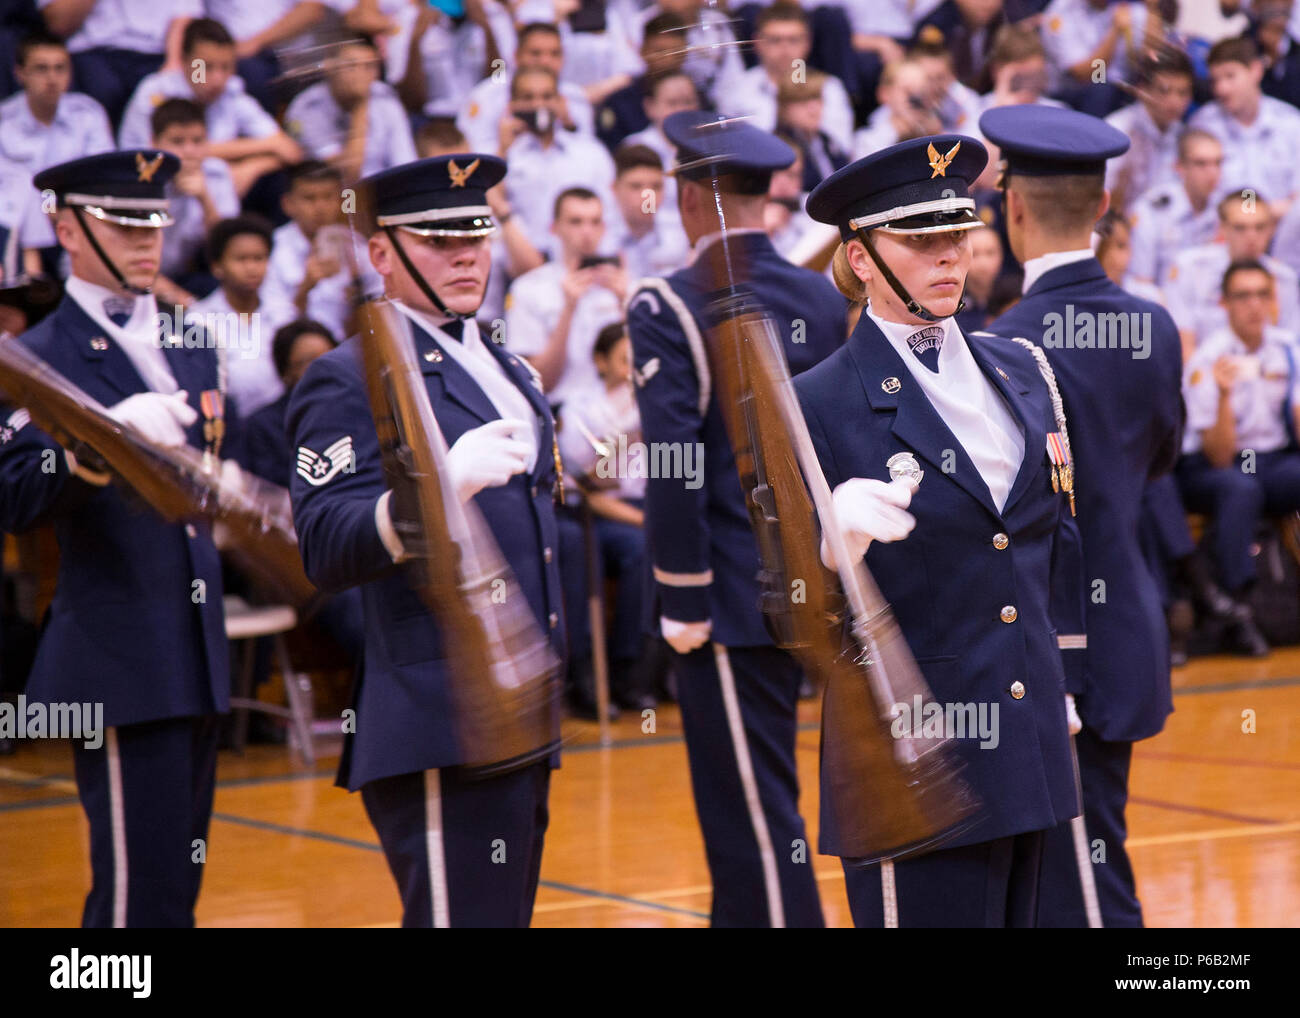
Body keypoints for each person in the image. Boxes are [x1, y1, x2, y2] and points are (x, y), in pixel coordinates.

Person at [794, 132, 1085, 928]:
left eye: (956, 234)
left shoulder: (1023, 367)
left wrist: (1065, 676)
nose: (947, 257)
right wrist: (827, 551)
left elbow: (1054, 537)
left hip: (1029, 752)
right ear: (860, 258)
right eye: (920, 241)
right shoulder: (814, 404)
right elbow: (782, 615)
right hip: (912, 769)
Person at [287, 153, 565, 927]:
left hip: (519, 711)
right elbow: (325, 541)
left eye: (475, 234)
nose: (466, 253)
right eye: (438, 239)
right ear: (383, 253)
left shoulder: (506, 365)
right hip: (436, 716)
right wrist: (435, 487)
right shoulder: (350, 376)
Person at [0, 149, 231, 926]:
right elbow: (13, 494)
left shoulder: (189, 337)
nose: (145, 241)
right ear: (65, 227)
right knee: (135, 899)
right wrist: (95, 444)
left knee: (175, 892)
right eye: (121, 223)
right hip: (122, 655)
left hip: (196, 649)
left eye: (153, 224)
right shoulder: (37, 356)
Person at [627, 111, 847, 928]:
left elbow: (675, 462)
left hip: (726, 592)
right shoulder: (817, 297)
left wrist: (681, 598)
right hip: (813, 584)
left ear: (687, 196)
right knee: (765, 800)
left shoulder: (670, 301)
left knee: (749, 813)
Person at [981, 103, 1184, 928]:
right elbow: (1159, 460)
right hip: (1124, 621)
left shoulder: (1001, 345)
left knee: (1079, 893)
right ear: (1103, 206)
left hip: (1043, 643)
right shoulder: (1155, 327)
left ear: (1012, 207)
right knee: (1087, 861)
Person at [1177, 258, 1300, 652]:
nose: (1254, 305)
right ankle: (1237, 609)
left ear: (1274, 300)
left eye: (1262, 294)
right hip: (1211, 467)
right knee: (1240, 488)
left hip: (1272, 459)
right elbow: (1218, 455)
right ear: (1224, 304)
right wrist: (1225, 395)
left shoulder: (1289, 351)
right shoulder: (1208, 359)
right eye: (1243, 296)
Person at [118, 18, 302, 197]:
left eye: (226, 67)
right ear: (184, 61)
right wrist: (264, 145)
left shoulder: (231, 94)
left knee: (278, 180)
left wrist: (250, 168)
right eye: (205, 67)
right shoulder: (156, 92)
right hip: (153, 188)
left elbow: (290, 150)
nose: (217, 79)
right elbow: (157, 158)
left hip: (214, 191)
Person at [504, 186, 624, 409]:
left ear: (604, 227)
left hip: (622, 406)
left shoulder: (622, 285)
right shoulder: (529, 288)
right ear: (554, 228)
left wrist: (627, 304)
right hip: (560, 411)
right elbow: (538, 381)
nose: (587, 231)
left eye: (595, 221)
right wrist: (568, 310)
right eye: (576, 222)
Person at [498, 66, 617, 258]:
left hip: (583, 258)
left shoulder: (590, 152)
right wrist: (503, 151)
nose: (538, 105)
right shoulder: (503, 157)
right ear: (511, 105)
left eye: (547, 96)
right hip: (522, 261)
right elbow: (495, 210)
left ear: (560, 101)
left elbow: (610, 215)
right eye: (528, 98)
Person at [1163, 193, 1300, 358]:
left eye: (1259, 227)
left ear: (1271, 229)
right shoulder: (1191, 268)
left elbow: (1290, 344)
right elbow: (1183, 342)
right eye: (1240, 228)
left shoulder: (1284, 278)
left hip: (1267, 373)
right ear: (1222, 229)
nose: (1251, 237)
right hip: (1204, 368)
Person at [263, 160, 384, 344]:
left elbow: (383, 307)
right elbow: (279, 331)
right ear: (288, 204)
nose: (320, 207)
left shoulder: (355, 245)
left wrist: (359, 295)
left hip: (350, 351)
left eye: (328, 197)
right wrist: (305, 288)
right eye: (309, 198)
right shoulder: (272, 249)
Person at [190, 216, 298, 416]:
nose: (252, 268)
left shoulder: (284, 313)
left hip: (281, 422)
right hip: (228, 423)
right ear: (217, 267)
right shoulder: (197, 320)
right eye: (241, 259)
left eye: (259, 258)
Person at [38, 0, 199, 127]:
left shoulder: (198, 68)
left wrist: (173, 63)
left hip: (160, 54)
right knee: (102, 89)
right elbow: (58, 24)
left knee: (192, 84)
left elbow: (189, 13)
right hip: (95, 52)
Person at [1189, 35, 1300, 216]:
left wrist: (1259, 215)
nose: (1221, 89)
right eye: (1215, 81)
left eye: (1230, 76)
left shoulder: (1291, 123)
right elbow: (1195, 196)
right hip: (1222, 232)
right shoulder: (1203, 126)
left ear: (1256, 70)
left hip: (1283, 231)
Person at [284, 35, 417, 182]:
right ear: (329, 66)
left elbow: (405, 166)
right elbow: (347, 177)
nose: (360, 74)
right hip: (334, 197)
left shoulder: (385, 98)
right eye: (351, 65)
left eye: (369, 67)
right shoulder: (306, 109)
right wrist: (361, 104)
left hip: (384, 191)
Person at [732, 3, 855, 156]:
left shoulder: (828, 87)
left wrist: (809, 130)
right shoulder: (738, 89)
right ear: (757, 42)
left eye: (793, 40)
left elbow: (842, 148)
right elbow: (735, 148)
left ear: (808, 42)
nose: (785, 49)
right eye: (775, 40)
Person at [149, 98, 240, 304]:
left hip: (186, 276)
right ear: (154, 143)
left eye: (198, 141)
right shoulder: (140, 180)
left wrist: (205, 199)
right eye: (177, 142)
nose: (189, 151)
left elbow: (228, 249)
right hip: (141, 279)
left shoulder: (216, 173)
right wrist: (185, 301)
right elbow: (122, 261)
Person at [0, 29, 113, 176]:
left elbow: (102, 178)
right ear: (20, 73)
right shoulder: (3, 120)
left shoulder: (89, 115)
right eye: (41, 68)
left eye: (60, 68)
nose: (52, 79)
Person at [1125, 129, 1222, 289]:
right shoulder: (1152, 211)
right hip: (1162, 304)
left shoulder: (1224, 209)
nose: (1212, 173)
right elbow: (1140, 281)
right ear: (1179, 167)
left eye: (1217, 163)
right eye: (1201, 163)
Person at [1103, 48, 1197, 214]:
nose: (1175, 102)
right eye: (1164, 91)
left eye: (1182, 93)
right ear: (1142, 90)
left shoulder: (1185, 135)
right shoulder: (1115, 132)